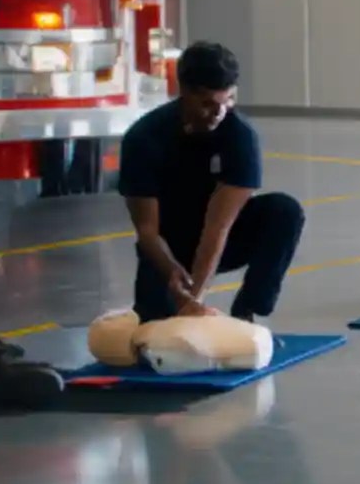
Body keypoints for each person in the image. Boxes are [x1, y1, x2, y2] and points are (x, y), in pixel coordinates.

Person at [119, 41, 305, 323]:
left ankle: (247, 309)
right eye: (207, 104)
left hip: (223, 237)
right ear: (184, 92)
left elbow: (218, 226)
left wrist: (196, 297)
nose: (218, 113)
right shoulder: (143, 138)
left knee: (284, 211)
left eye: (227, 101)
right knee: (156, 327)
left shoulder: (240, 137)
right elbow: (147, 231)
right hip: (169, 245)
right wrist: (172, 273)